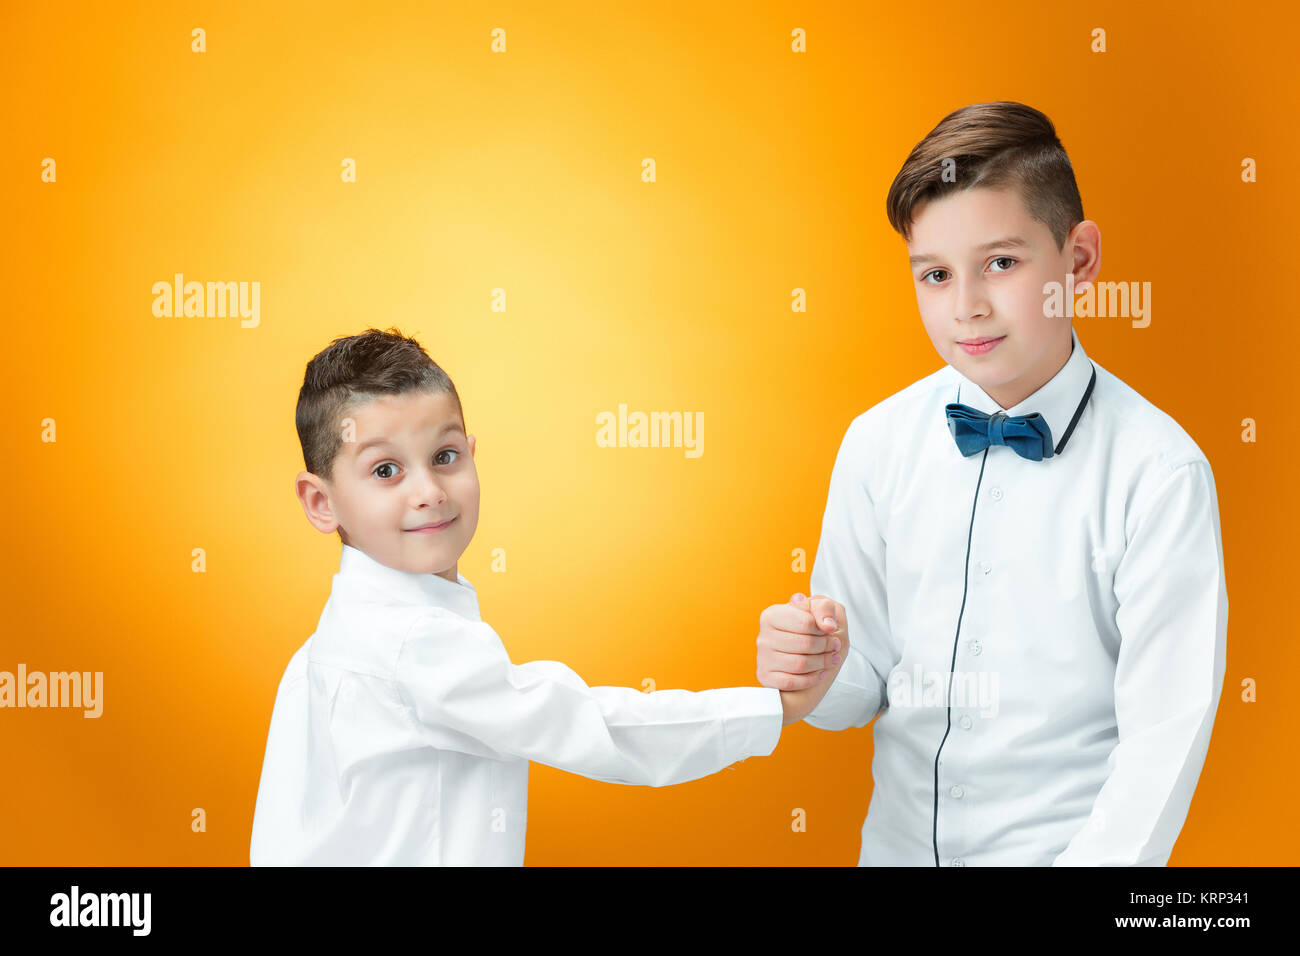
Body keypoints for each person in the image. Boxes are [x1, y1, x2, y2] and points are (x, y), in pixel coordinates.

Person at [757, 101, 1228, 866]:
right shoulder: (876, 443)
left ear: (1078, 259)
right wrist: (817, 670)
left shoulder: (1160, 473)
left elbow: (1164, 743)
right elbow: (859, 691)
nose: (967, 306)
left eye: (1001, 263)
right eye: (936, 275)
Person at [250, 327, 843, 865]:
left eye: (445, 456)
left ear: (472, 454)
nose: (429, 491)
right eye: (385, 471)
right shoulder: (412, 642)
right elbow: (594, 727)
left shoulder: (325, 649)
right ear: (320, 502)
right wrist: (775, 709)